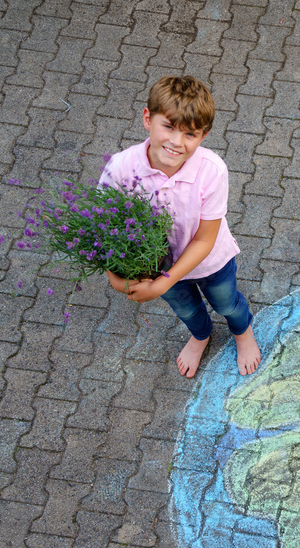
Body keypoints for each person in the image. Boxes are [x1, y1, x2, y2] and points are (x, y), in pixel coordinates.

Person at [101, 75, 260, 378]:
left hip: (211, 262)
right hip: (153, 268)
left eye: (189, 134)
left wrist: (163, 283)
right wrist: (114, 277)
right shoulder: (120, 168)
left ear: (204, 135)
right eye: (169, 127)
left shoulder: (212, 170)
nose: (176, 142)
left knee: (227, 303)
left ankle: (242, 331)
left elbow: (204, 240)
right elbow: (103, 230)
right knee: (186, 310)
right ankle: (201, 335)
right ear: (148, 118)